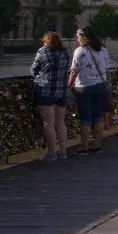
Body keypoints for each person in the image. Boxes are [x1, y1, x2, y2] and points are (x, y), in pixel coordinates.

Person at [30, 32, 70, 161]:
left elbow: (33, 70)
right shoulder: (65, 53)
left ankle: (52, 153)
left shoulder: (43, 51)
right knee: (61, 123)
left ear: (47, 42)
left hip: (46, 91)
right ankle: (63, 152)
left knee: (49, 124)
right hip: (62, 92)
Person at [69, 28, 110, 155]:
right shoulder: (103, 50)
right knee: (98, 116)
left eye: (78, 37)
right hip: (100, 86)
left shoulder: (80, 52)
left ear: (84, 37)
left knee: (85, 118)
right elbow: (106, 67)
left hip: (84, 87)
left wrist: (70, 84)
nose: (77, 40)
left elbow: (74, 70)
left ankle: (84, 146)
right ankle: (97, 144)